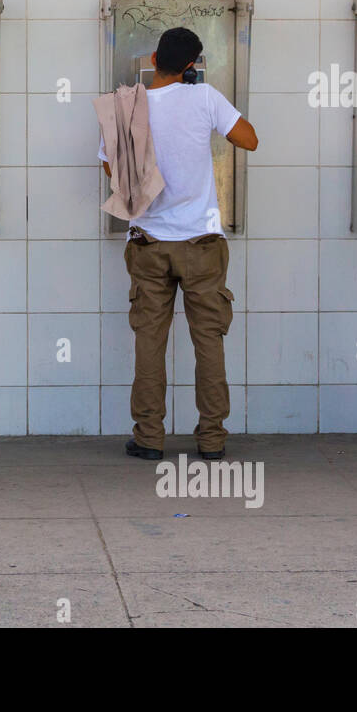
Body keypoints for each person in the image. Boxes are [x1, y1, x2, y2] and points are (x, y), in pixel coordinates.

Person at [99, 27, 258, 461]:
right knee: (209, 342)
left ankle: (149, 437)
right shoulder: (206, 97)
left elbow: (115, 174)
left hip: (149, 243)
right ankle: (211, 440)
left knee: (149, 340)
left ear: (153, 58)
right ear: (192, 65)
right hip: (203, 244)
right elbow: (249, 139)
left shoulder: (128, 107)